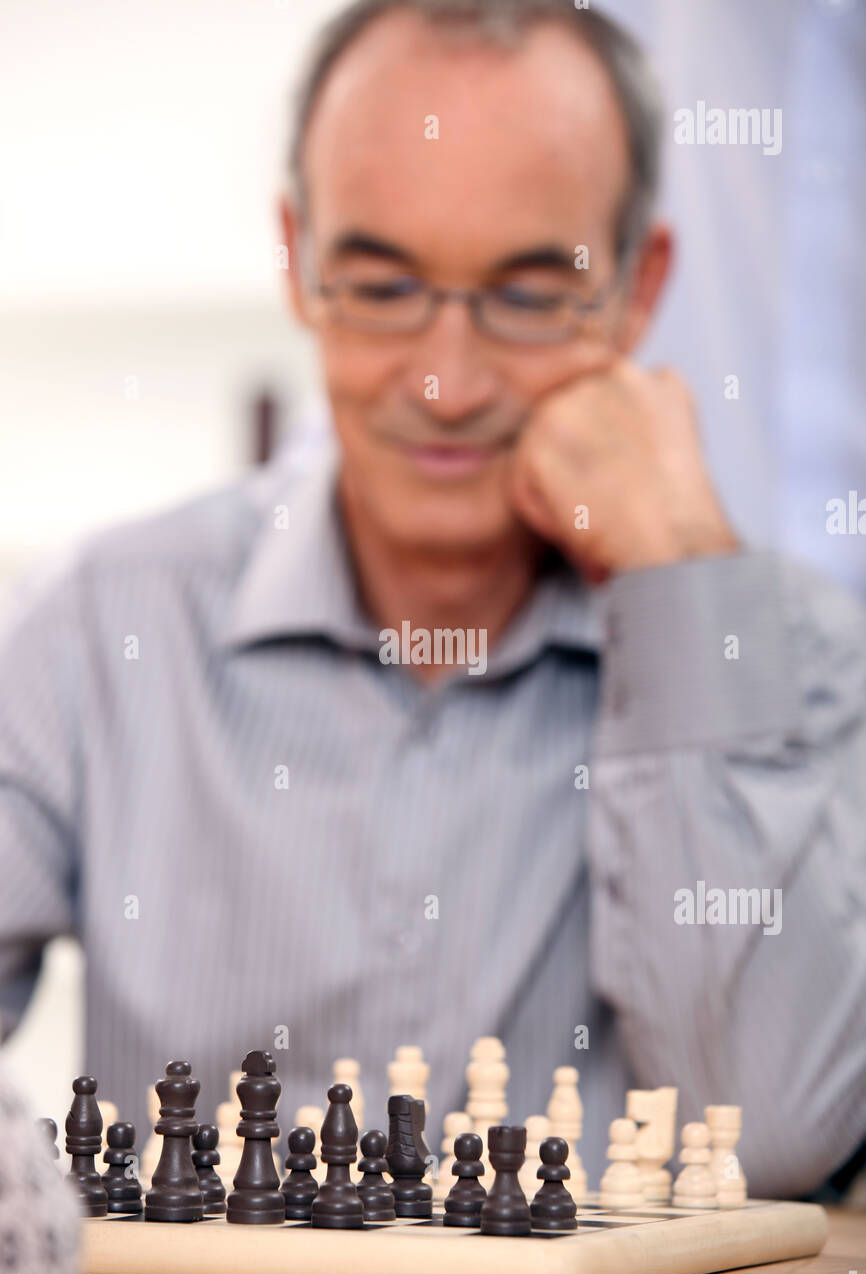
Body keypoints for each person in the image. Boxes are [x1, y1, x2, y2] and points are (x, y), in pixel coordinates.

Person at [0, 0, 863, 1194]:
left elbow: (772, 1139)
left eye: (525, 294)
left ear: (635, 285)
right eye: (382, 285)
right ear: (296, 263)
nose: (446, 383)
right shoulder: (95, 628)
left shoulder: (799, 661)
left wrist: (677, 576)